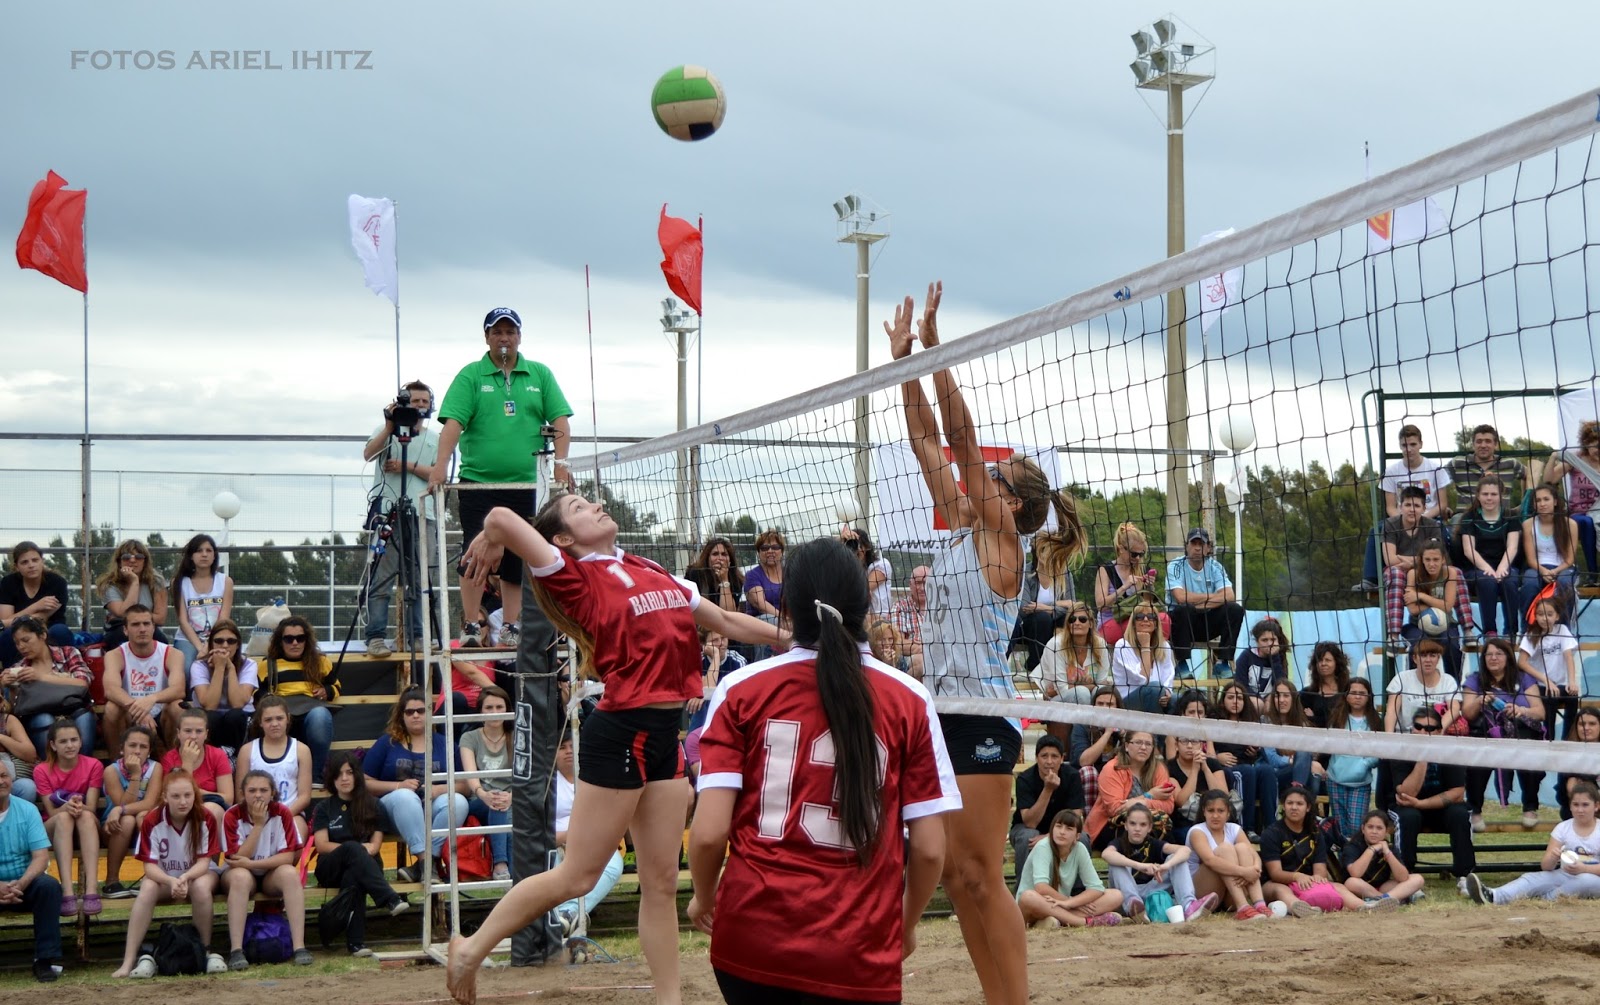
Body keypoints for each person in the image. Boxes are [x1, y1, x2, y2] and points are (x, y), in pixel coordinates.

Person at [445, 492, 782, 1005]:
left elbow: (728, 622)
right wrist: (490, 540)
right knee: (577, 875)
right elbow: (498, 515)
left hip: (664, 734)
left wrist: (794, 638)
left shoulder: (647, 567)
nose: (597, 505)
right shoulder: (570, 574)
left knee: (663, 881)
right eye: (580, 508)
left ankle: (669, 998)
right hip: (621, 732)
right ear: (562, 538)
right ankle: (471, 949)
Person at [875, 281, 1084, 1005]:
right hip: (940, 712)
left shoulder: (1004, 544)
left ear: (1015, 504)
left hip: (984, 717)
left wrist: (939, 351)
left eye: (993, 477)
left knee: (981, 875)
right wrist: (902, 363)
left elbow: (960, 438)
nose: (977, 475)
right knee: (961, 878)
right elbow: (926, 439)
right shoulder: (968, 523)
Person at [687, 536, 960, 1004]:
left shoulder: (741, 689)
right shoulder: (910, 700)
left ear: (786, 607)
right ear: (864, 605)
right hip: (860, 947)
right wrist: (905, 923)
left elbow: (709, 834)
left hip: (753, 941)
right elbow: (931, 850)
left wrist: (704, 897)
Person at [430, 307, 574, 650]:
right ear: (487, 337)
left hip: (527, 484)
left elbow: (560, 421)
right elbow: (453, 424)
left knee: (517, 557)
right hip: (480, 482)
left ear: (520, 337)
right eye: (497, 332)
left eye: (510, 332)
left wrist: (561, 464)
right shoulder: (471, 375)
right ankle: (469, 621)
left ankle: (510, 625)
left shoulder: (539, 374)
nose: (504, 338)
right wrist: (439, 467)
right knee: (474, 551)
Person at [113, 769, 226, 978]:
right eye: (176, 796)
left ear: (194, 794)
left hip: (197, 875)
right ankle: (128, 960)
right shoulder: (152, 820)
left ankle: (205, 951)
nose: (182, 801)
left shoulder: (205, 817)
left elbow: (204, 862)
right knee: (147, 887)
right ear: (165, 797)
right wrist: (170, 880)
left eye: (187, 795)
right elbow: (149, 867)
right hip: (165, 877)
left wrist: (185, 878)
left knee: (201, 887)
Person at [363, 380, 441, 657]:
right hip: (387, 513)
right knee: (381, 577)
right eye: (414, 401)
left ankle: (419, 636)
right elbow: (368, 454)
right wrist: (388, 427)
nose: (420, 406)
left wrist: (407, 466)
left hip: (423, 515)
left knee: (422, 579)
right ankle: (375, 637)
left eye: (424, 402)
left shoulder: (436, 439)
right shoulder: (387, 432)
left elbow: (440, 475)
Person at [364, 687, 469, 880]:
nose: (415, 715)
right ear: (401, 715)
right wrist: (397, 786)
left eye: (421, 710)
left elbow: (465, 785)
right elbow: (364, 782)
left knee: (458, 802)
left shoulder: (445, 744)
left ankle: (424, 864)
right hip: (395, 811)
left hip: (432, 807)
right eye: (409, 711)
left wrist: (439, 789)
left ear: (430, 713)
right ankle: (426, 861)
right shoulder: (387, 743)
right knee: (406, 796)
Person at [312, 751, 409, 958]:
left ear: (357, 775)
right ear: (331, 779)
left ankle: (356, 944)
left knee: (354, 876)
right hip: (330, 866)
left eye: (349, 772)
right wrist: (352, 849)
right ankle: (389, 898)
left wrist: (359, 851)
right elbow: (321, 845)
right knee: (353, 848)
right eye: (338, 774)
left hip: (365, 866)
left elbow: (375, 846)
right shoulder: (323, 807)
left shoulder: (374, 804)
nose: (344, 778)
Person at [221, 769, 314, 969]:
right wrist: (258, 825)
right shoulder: (232, 815)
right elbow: (236, 859)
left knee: (289, 874)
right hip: (242, 873)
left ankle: (300, 946)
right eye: (252, 790)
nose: (257, 795)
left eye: (263, 790)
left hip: (269, 872)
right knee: (239, 877)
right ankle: (236, 950)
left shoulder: (282, 812)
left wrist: (252, 864)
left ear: (272, 793)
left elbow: (288, 857)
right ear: (243, 793)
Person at [1466, 780, 1600, 906]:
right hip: (1565, 874)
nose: (1580, 810)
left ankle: (1546, 899)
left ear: (1596, 806)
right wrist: (1553, 857)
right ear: (1570, 806)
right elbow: (1546, 866)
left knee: (1585, 881)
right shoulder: (1563, 828)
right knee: (1533, 878)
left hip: (1593, 877)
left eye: (1585, 805)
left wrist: (1584, 869)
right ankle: (1494, 896)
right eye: (1576, 805)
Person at [1461, 637, 1546, 831]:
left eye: (1499, 654)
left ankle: (1530, 806)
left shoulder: (1524, 678)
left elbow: (1539, 712)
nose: (1493, 658)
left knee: (1529, 752)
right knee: (1477, 760)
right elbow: (1467, 713)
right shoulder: (1474, 679)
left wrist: (1520, 710)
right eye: (1489, 654)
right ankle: (1474, 810)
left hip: (1520, 732)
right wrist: (1480, 701)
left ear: (1508, 657)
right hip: (1486, 733)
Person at [1385, 706, 1476, 881]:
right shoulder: (1399, 750)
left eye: (1429, 729)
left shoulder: (1450, 750)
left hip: (1435, 807)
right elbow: (1406, 793)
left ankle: (1465, 875)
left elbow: (1457, 793)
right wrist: (1422, 758)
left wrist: (1421, 804)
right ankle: (1406, 874)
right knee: (1409, 817)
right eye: (1418, 727)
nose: (1422, 732)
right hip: (1406, 806)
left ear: (1439, 731)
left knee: (1460, 814)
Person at [550, 731, 625, 939]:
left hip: (593, 842)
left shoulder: (594, 777)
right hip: (556, 844)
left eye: (572, 746)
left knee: (613, 865)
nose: (569, 751)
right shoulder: (546, 783)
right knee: (556, 866)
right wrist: (567, 837)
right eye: (562, 747)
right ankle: (568, 919)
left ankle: (568, 914)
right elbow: (539, 831)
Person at [1359, 426, 1452, 589]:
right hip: (1400, 518)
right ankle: (1371, 578)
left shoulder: (1435, 468)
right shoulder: (1391, 471)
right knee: (1376, 531)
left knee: (1444, 532)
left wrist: (1422, 518)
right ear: (1400, 446)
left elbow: (1442, 504)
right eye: (1404, 445)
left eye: (1413, 444)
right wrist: (1403, 519)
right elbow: (1390, 506)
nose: (1408, 449)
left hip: (1429, 516)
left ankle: (1447, 573)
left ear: (1421, 444)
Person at [0, 755, 64, 982]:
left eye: (4, 775)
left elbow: (40, 857)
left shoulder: (27, 810)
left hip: (23, 884)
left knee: (48, 886)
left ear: (11, 779)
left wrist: (21, 883)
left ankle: (44, 960)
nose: (1, 781)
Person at [1260, 786, 1370, 915]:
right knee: (1281, 889)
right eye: (1290, 803)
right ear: (1283, 806)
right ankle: (1300, 909)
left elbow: (1320, 870)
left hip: (1307, 882)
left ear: (1308, 807)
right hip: (1276, 883)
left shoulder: (1315, 833)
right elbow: (1275, 873)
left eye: (1299, 803)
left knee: (1338, 886)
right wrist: (1297, 876)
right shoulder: (1271, 833)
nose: (1294, 807)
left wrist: (1318, 877)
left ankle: (1364, 907)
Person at [254, 616, 340, 780]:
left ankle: (316, 776)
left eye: (300, 638)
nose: (295, 643)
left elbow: (336, 687)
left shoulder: (321, 661)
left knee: (321, 716)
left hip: (311, 712)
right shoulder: (267, 664)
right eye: (289, 639)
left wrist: (325, 691)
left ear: (307, 640)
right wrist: (268, 699)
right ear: (280, 641)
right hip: (282, 714)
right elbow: (256, 694)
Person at [1103, 803, 1216, 922]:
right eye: (1132, 823)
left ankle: (1189, 906)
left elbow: (1185, 850)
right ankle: (1135, 908)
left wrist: (1166, 866)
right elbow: (1106, 854)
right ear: (1125, 825)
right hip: (1125, 895)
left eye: (1143, 824)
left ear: (1149, 827)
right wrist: (1139, 866)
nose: (1137, 829)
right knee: (1117, 862)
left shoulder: (1153, 843)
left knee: (1176, 858)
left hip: (1151, 890)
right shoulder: (1118, 842)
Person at [33, 718, 102, 916]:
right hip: (55, 826)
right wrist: (67, 808)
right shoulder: (42, 770)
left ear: (81, 742)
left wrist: (77, 807)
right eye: (63, 742)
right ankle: (67, 892)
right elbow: (52, 812)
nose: (70, 745)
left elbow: (91, 808)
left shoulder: (93, 765)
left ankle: (91, 890)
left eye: (74, 740)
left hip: (85, 824)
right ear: (53, 745)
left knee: (86, 817)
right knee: (64, 818)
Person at [2, 615, 95, 759]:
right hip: (38, 713)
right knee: (44, 720)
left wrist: (41, 677)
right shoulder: (20, 667)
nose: (21, 647)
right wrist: (11, 687)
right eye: (17, 643)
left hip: (72, 708)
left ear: (43, 635)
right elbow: (16, 710)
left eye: (26, 640)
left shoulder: (68, 653)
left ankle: (82, 769)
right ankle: (49, 770)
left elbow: (83, 683)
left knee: (84, 718)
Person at [1014, 809, 1123, 928]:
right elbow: (1041, 888)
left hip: (1061, 905)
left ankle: (1056, 921)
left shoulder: (1080, 849)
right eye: (1058, 826)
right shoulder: (1043, 847)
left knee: (1115, 895)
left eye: (1069, 829)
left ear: (1077, 836)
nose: (1062, 832)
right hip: (1038, 904)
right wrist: (1070, 902)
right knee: (1028, 897)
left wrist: (1071, 902)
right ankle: (1083, 922)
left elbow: (1096, 888)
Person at [101, 604, 187, 752]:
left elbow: (179, 690)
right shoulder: (115, 655)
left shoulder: (172, 654)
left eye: (146, 624)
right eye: (135, 624)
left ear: (153, 628)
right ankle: (117, 763)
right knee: (111, 708)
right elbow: (110, 690)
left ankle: (174, 762)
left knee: (177, 706)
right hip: (129, 712)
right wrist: (138, 709)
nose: (142, 629)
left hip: (161, 714)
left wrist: (151, 699)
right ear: (125, 630)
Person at [1165, 527, 1245, 678]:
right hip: (1183, 625)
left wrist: (1199, 603)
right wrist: (1213, 597)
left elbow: (1229, 595)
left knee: (1235, 609)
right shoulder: (1175, 566)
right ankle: (1182, 665)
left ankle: (1223, 663)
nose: (1197, 547)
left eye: (1201, 544)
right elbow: (1180, 597)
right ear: (1186, 546)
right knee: (1183, 609)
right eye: (1193, 543)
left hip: (1208, 623)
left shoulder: (1215, 567)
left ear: (1208, 547)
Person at [235, 695, 314, 841]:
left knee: (297, 837)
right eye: (268, 720)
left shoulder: (301, 750)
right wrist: (258, 817)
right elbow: (240, 795)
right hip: (254, 814)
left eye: (279, 718)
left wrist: (282, 816)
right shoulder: (247, 750)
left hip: (291, 812)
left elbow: (304, 797)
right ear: (260, 722)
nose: (274, 724)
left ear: (288, 718)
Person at [1186, 789, 1272, 920]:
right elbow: (1209, 860)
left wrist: (1255, 869)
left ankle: (1259, 904)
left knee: (1243, 848)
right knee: (1225, 849)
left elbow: (1254, 855)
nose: (1215, 815)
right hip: (1203, 895)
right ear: (1203, 811)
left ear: (1228, 813)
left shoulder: (1234, 828)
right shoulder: (1197, 831)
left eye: (1220, 811)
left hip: (1229, 896)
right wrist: (1243, 872)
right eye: (1211, 811)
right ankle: (1243, 907)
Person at [100, 724, 164, 899]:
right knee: (127, 820)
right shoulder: (111, 771)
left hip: (143, 824)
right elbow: (123, 802)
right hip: (113, 828)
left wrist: (121, 809)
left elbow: (149, 803)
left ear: (149, 751)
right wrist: (136, 776)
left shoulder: (155, 768)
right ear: (122, 749)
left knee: (142, 817)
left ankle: (151, 877)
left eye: (143, 747)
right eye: (132, 745)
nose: (137, 751)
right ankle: (111, 881)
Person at [1085, 731, 1175, 850]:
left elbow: (1169, 806)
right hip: (1112, 825)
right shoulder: (1112, 769)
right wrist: (1150, 795)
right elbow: (1115, 809)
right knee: (1141, 834)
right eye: (1138, 742)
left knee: (1164, 832)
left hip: (1148, 824)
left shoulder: (1159, 769)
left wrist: (1143, 802)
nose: (1143, 747)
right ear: (1127, 746)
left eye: (1148, 744)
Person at [459, 685, 514, 882]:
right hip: (479, 799)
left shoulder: (515, 736)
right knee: (498, 801)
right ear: (480, 711)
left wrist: (512, 797)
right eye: (489, 708)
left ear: (508, 709)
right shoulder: (470, 737)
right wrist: (484, 794)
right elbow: (471, 775)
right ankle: (501, 864)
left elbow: (525, 776)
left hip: (512, 800)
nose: (495, 712)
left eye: (500, 707)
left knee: (505, 808)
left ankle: (509, 876)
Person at [1393, 540, 1470, 677]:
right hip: (1417, 625)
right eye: (1427, 559)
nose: (1431, 564)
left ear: (1443, 560)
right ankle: (1414, 686)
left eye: (1436, 559)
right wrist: (1438, 603)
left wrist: (1420, 596)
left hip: (1447, 624)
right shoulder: (1413, 574)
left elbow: (1448, 606)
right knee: (1417, 646)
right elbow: (1413, 610)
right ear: (1421, 560)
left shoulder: (1450, 573)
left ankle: (1453, 686)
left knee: (1451, 645)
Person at [1211, 682, 1278, 836]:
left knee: (1266, 771)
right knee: (1246, 771)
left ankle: (1272, 828)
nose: (1235, 701)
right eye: (1231, 697)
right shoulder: (1214, 722)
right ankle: (1245, 828)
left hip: (1248, 767)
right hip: (1227, 769)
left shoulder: (1250, 722)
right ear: (1223, 701)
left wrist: (1254, 751)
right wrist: (1217, 757)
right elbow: (1207, 749)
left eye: (1240, 698)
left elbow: (1253, 753)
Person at [1010, 734, 1084, 868]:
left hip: (1063, 826)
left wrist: (1050, 836)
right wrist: (1048, 790)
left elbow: (1075, 817)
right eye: (1044, 756)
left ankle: (1077, 888)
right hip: (1026, 827)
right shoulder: (1025, 779)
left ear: (1062, 759)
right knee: (1028, 837)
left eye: (1054, 756)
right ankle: (1025, 887)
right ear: (1036, 758)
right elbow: (1030, 822)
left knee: (1082, 838)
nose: (1049, 761)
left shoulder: (1072, 776)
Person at [1462, 475, 1523, 637]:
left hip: (1505, 564)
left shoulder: (1510, 516)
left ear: (1501, 495)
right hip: (1477, 568)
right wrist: (1488, 569)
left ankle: (1511, 632)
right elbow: (1469, 550)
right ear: (1478, 495)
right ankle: (1490, 631)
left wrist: (1502, 568)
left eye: (1493, 494)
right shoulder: (1469, 518)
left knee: (1510, 581)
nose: (1489, 498)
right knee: (1487, 581)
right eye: (1485, 494)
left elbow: (1512, 546)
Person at [1447, 424, 1528, 546]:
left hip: (1502, 515)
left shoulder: (1510, 463)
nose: (1483, 445)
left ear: (1495, 444)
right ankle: (1460, 562)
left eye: (1488, 441)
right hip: (1466, 516)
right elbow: (1438, 481)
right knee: (1457, 521)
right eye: (1479, 441)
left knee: (1519, 525)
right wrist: (1443, 505)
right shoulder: (1458, 463)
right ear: (1473, 444)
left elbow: (1531, 475)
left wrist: (1524, 502)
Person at [1324, 679, 1382, 843]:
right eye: (1353, 692)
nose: (1357, 697)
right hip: (1335, 779)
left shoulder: (1375, 721)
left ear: (1369, 696)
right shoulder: (1337, 718)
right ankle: (1344, 864)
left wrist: (1365, 764)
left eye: (1362, 693)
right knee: (1340, 828)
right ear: (1346, 696)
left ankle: (1356, 862)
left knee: (1357, 827)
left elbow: (1380, 751)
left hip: (1360, 783)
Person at [1030, 601, 1110, 721]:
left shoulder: (1100, 644)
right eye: (1072, 619)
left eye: (1082, 619)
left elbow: (1102, 686)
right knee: (1082, 693)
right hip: (1053, 702)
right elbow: (1060, 690)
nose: (1076, 623)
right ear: (1067, 624)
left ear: (1091, 624)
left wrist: (1082, 686)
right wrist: (1089, 686)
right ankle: (1083, 735)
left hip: (1073, 696)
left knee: (1102, 695)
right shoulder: (1056, 644)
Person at [1008, 537, 1078, 672]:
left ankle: (1065, 667)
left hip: (1055, 622)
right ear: (1039, 554)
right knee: (1042, 618)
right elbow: (1025, 607)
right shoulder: (1026, 572)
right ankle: (1036, 667)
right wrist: (1059, 605)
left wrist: (1046, 607)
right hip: (1030, 626)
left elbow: (1073, 605)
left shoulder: (1065, 573)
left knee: (1070, 619)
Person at [161, 706, 236, 832]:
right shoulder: (169, 758)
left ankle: (213, 851)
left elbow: (228, 798)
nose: (193, 736)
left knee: (210, 809)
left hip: (211, 807)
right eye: (188, 731)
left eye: (199, 731)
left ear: (206, 733)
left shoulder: (217, 755)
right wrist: (187, 763)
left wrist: (196, 792)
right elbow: (172, 796)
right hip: (178, 808)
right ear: (178, 733)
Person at [186, 618, 256, 752]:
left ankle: (235, 758)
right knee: (211, 716)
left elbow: (237, 704)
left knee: (235, 715)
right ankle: (214, 758)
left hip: (241, 717)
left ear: (238, 645)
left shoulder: (249, 664)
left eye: (231, 641)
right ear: (211, 644)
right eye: (219, 641)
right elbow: (209, 705)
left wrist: (230, 669)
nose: (225, 645)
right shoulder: (199, 666)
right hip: (211, 717)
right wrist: (219, 668)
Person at [0, 540, 74, 666]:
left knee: (60, 632)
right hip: (19, 629)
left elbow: (41, 618)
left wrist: (6, 622)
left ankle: (60, 673)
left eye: (35, 560)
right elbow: (6, 620)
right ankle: (12, 677)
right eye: (24, 562)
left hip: (50, 625)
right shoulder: (8, 583)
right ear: (17, 567)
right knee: (8, 635)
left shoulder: (57, 583)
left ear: (42, 561)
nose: (31, 565)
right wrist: (36, 605)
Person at [1519, 596, 1581, 742]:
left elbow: (1568, 657)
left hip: (1559, 683)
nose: (1544, 618)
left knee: (1573, 696)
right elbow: (1521, 662)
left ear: (1557, 616)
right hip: (1538, 685)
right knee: (1550, 697)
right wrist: (1545, 680)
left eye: (1549, 614)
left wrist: (1571, 682)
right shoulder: (1531, 634)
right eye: (1540, 614)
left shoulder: (1562, 630)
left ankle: (1568, 739)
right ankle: (1549, 739)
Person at [1543, 420, 1600, 577]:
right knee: (1586, 523)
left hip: (1599, 512)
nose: (1598, 450)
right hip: (1580, 513)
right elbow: (1549, 480)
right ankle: (1592, 572)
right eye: (1595, 445)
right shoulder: (1576, 460)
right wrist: (1553, 458)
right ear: (1586, 444)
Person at [170, 533, 233, 667]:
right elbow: (183, 620)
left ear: (214, 555)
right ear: (191, 556)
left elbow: (223, 618)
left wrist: (210, 644)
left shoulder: (225, 582)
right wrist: (201, 647)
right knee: (187, 668)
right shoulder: (179, 582)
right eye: (199, 551)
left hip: (218, 637)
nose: (204, 554)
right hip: (188, 639)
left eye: (208, 550)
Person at [1094, 522, 1161, 645]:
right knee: (1141, 628)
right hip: (1111, 622)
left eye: (1141, 554)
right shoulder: (1106, 570)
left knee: (1164, 621)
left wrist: (1149, 587)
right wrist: (1124, 587)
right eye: (1134, 554)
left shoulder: (1142, 569)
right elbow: (1100, 605)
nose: (1137, 558)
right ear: (1120, 549)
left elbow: (1147, 606)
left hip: (1139, 621)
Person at [1379, 486, 1444, 611]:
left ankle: (1467, 628)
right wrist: (1420, 560)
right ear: (1400, 507)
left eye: (1417, 506)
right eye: (1408, 505)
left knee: (1454, 573)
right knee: (1394, 575)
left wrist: (1410, 562)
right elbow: (1389, 560)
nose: (1412, 509)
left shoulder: (1432, 525)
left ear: (1424, 508)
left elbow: (1439, 558)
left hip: (1426, 569)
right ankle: (1394, 630)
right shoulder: (1390, 524)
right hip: (1399, 570)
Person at [1520, 484, 1579, 621]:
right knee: (1530, 582)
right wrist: (1543, 571)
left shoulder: (1570, 524)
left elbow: (1570, 559)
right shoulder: (1528, 524)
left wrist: (1555, 571)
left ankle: (1564, 627)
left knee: (1564, 582)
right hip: (1538, 567)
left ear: (1555, 502)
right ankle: (1527, 628)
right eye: (1538, 500)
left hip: (1564, 567)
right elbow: (1531, 559)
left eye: (1546, 499)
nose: (1542, 504)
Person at [1341, 810, 1425, 906]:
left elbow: (1402, 877)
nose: (1374, 831)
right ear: (1363, 829)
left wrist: (1388, 853)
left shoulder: (1389, 847)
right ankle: (1390, 899)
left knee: (1417, 879)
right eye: (1370, 827)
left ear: (1386, 831)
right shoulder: (1353, 846)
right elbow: (1355, 873)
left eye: (1379, 828)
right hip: (1360, 888)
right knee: (1351, 882)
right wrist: (1371, 849)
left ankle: (1383, 900)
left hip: (1383, 887)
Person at [97, 539, 170, 650]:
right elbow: (122, 612)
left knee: (160, 640)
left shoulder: (156, 581)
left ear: (145, 561)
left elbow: (160, 618)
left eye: (139, 557)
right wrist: (134, 582)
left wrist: (137, 619)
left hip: (150, 628)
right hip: (119, 629)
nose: (132, 560)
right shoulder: (109, 584)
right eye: (126, 557)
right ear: (119, 561)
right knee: (121, 636)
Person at [1384, 639, 1462, 734]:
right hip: (1405, 735)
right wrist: (1389, 736)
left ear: (1438, 658)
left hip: (1435, 737)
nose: (1428, 660)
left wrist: (1437, 730)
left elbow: (1454, 709)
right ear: (1415, 658)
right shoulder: (1401, 678)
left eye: (1432, 656)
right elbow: (1392, 710)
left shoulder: (1448, 680)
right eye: (1423, 656)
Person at [1110, 601, 1175, 713]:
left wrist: (1167, 693)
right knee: (1154, 689)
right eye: (1140, 617)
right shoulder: (1122, 645)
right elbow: (1143, 680)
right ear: (1133, 623)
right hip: (1127, 701)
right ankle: (1155, 730)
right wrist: (1145, 646)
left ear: (1156, 623)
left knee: (1179, 700)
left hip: (1158, 694)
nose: (1145, 620)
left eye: (1151, 617)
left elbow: (1168, 676)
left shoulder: (1164, 646)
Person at [1262, 680, 1319, 796]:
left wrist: (1303, 763)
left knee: (1312, 773)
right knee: (1310, 768)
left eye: (1286, 696)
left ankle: (1297, 797)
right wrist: (1292, 761)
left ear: (1293, 699)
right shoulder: (1265, 721)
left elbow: (1312, 754)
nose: (1281, 700)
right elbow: (1271, 758)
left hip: (1301, 774)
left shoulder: (1304, 724)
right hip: (1277, 777)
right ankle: (1301, 802)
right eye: (1277, 696)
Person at [1070, 686, 1124, 804]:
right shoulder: (1082, 725)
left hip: (1113, 773)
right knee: (1089, 772)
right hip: (1087, 776)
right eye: (1100, 703)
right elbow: (1084, 761)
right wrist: (1108, 732)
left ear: (1118, 707)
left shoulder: (1126, 725)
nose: (1104, 708)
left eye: (1109, 704)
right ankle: (1089, 820)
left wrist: (1125, 738)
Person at [743, 529, 785, 661]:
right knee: (770, 619)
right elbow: (760, 604)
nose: (770, 551)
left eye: (775, 547)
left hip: (788, 622)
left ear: (782, 551)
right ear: (758, 552)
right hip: (760, 625)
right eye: (765, 548)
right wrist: (783, 619)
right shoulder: (752, 575)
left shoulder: (791, 573)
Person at [1235, 618, 1290, 712]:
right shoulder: (1246, 656)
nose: (1269, 644)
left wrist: (1274, 658)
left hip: (1272, 697)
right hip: (1249, 696)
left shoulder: (1280, 657)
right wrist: (1258, 698)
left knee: (1274, 705)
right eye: (1264, 640)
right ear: (1257, 641)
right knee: (1258, 705)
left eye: (1273, 639)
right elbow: (1241, 684)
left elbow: (1281, 683)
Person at [840, 525, 893, 620]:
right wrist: (840, 542)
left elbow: (862, 589)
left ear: (867, 547)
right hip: (859, 619)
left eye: (858, 544)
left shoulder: (881, 564)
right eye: (851, 545)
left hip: (880, 620)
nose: (855, 549)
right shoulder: (847, 568)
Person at [1556, 708, 1600, 821]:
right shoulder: (1568, 753)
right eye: (1582, 724)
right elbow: (1572, 789)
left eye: (1592, 724)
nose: (1586, 728)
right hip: (1576, 811)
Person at [685, 537, 745, 615]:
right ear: (707, 557)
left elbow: (729, 613)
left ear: (730, 559)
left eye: (724, 554)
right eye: (715, 554)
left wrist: (724, 580)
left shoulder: (736, 579)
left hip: (722, 623)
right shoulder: (694, 574)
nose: (720, 558)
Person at [1299, 641, 1351, 729]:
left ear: (1337, 663)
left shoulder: (1348, 690)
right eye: (1320, 660)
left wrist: (1314, 718)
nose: (1323, 664)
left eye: (1328, 660)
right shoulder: (1307, 693)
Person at [890, 564, 930, 678]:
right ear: (910, 585)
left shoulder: (941, 608)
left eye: (926, 583)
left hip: (939, 655)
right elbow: (898, 643)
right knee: (923, 664)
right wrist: (928, 648)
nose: (922, 588)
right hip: (909, 658)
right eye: (918, 583)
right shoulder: (899, 608)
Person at [0, 697, 36, 807]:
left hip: (9, 782)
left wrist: (1, 738)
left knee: (28, 787)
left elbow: (30, 755)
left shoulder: (7, 720)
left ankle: (16, 821)